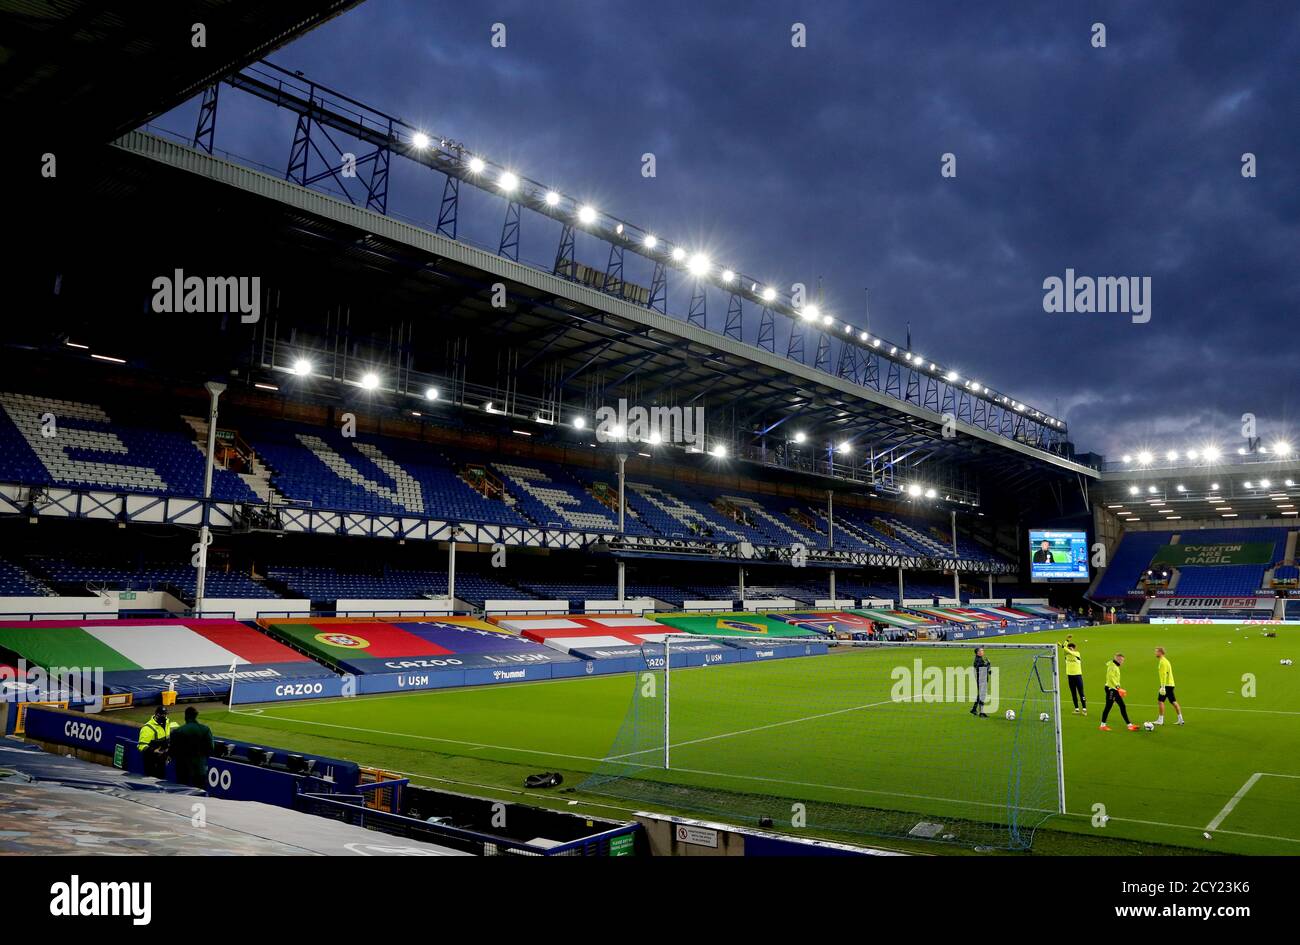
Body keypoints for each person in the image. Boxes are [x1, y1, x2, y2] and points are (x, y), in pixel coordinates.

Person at [169, 706, 216, 788]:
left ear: (185, 716)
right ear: (196, 716)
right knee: (200, 792)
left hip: (182, 766)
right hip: (199, 766)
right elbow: (211, 748)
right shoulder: (205, 729)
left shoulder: (178, 731)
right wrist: (203, 758)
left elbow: (172, 750)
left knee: (181, 791)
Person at [1100, 653, 1139, 731]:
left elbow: (1114, 678)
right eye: (1121, 660)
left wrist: (1118, 688)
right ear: (1117, 659)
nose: (1122, 662)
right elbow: (1110, 678)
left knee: (1122, 706)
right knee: (1108, 707)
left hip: (1114, 689)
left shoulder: (1115, 666)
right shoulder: (1112, 667)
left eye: (1123, 660)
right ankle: (1102, 726)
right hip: (1111, 689)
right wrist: (1118, 688)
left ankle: (1129, 725)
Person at [137, 705, 178, 778]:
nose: (164, 716)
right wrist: (154, 750)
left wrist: (167, 753)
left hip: (162, 758)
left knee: (161, 779)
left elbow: (167, 739)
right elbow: (141, 746)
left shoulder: (167, 723)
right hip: (151, 760)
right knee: (151, 780)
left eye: (165, 714)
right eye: (162, 714)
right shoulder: (148, 728)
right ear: (157, 715)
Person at [1152, 646, 1185, 726]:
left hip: (1166, 685)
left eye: (1156, 651)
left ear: (1160, 652)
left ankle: (1160, 720)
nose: (1155, 653)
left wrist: (1162, 687)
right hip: (1170, 684)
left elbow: (1164, 675)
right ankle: (1180, 719)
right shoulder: (1165, 661)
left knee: (1160, 701)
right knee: (1173, 701)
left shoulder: (1163, 662)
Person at [1059, 636, 1086, 715]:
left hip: (1078, 676)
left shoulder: (1077, 653)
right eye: (1069, 648)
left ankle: (1084, 709)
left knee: (1081, 692)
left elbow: (1069, 651)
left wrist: (1062, 646)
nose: (1070, 649)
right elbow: (1065, 649)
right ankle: (1077, 709)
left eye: (1071, 648)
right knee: (1073, 693)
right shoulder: (1066, 655)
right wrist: (1066, 640)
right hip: (1070, 676)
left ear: (1074, 648)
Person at [970, 647, 991, 717]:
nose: (983, 651)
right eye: (981, 650)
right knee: (982, 696)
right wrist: (988, 664)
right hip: (982, 680)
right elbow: (983, 668)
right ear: (978, 652)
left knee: (980, 695)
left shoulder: (979, 659)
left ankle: (974, 709)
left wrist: (988, 669)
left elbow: (984, 668)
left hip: (982, 679)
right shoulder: (978, 660)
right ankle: (981, 712)